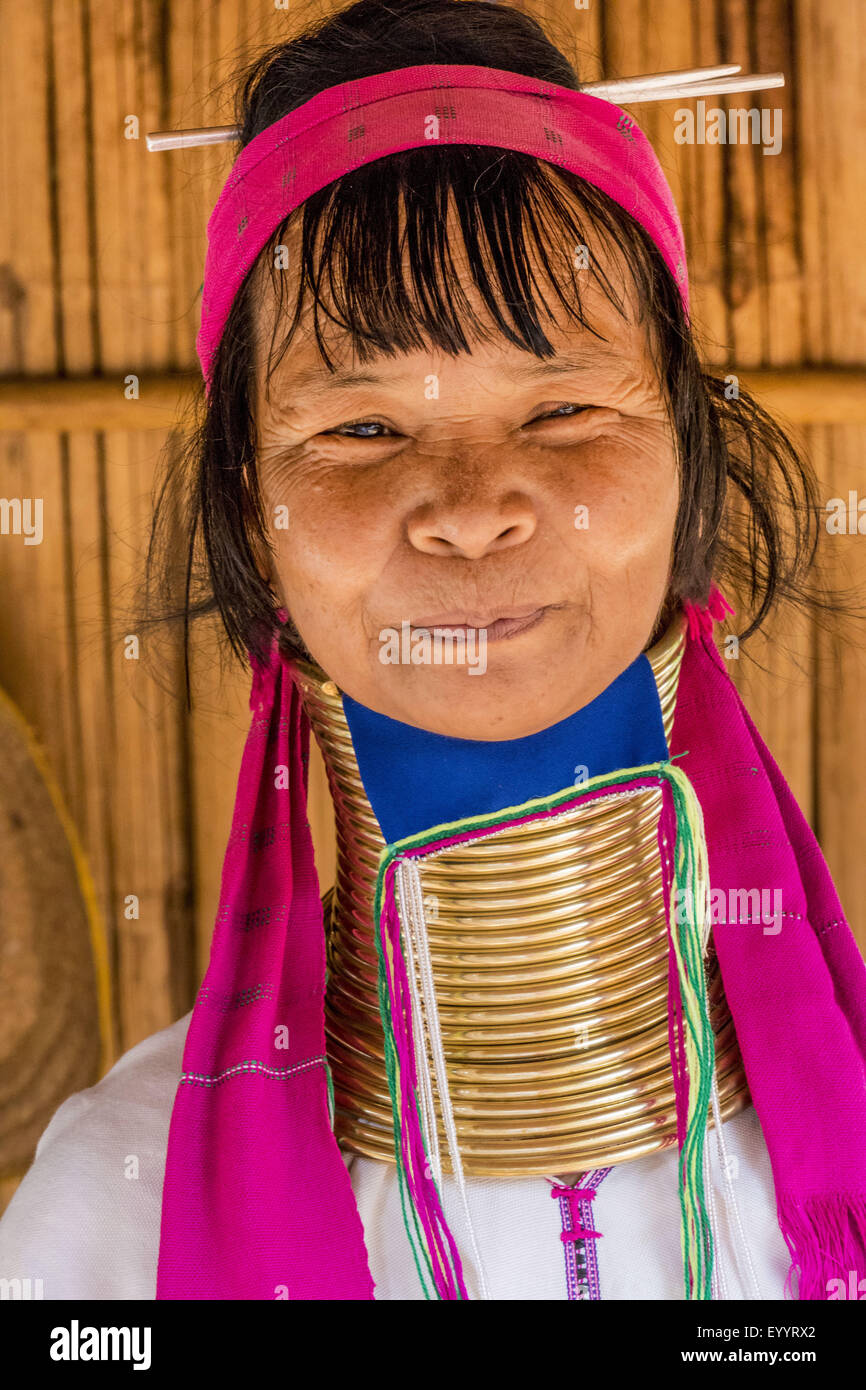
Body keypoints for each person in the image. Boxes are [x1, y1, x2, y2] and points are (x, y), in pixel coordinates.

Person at [1, 0, 865, 1302]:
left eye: (565, 405)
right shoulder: (109, 1227)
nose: (471, 506)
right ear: (253, 510)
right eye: (358, 430)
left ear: (688, 467)